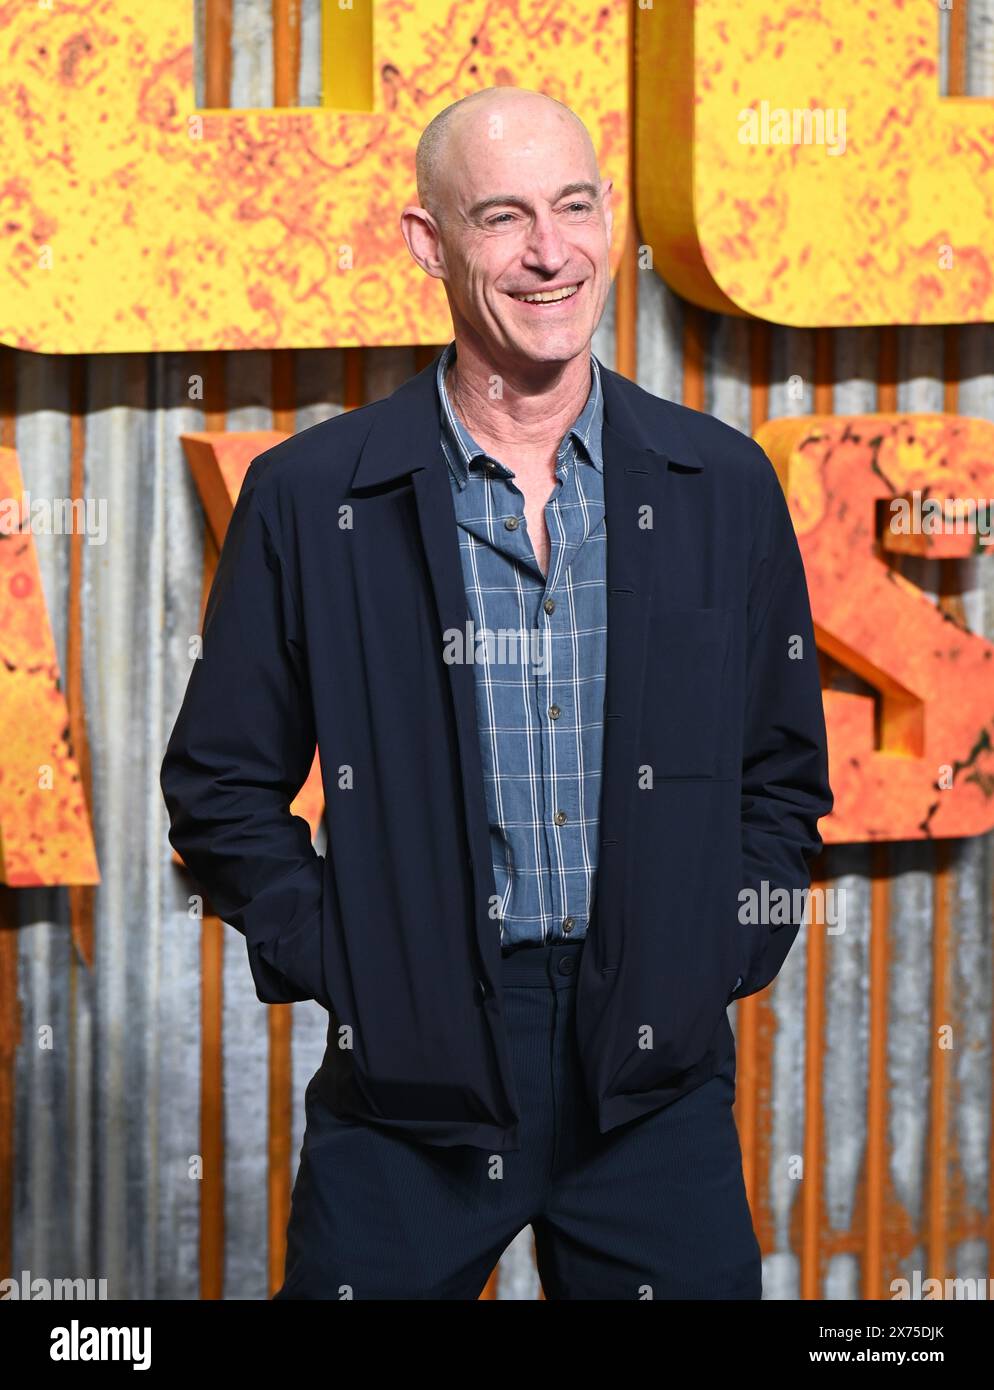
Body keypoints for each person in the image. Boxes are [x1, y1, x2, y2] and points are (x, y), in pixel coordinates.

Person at [159, 86, 833, 1300]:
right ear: (429, 243)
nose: (549, 251)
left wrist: (719, 947)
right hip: (412, 1075)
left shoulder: (716, 484)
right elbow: (218, 784)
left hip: (651, 1075)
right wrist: (353, 958)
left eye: (574, 207)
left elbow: (778, 770)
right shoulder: (316, 498)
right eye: (504, 216)